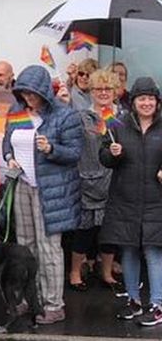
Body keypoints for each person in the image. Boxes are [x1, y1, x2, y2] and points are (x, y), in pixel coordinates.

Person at [3, 65, 84, 325]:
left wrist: (52, 149)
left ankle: (53, 304)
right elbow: (7, 141)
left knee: (49, 248)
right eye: (24, 93)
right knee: (25, 246)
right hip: (24, 185)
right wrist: (9, 157)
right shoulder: (16, 112)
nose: (29, 98)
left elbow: (74, 152)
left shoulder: (65, 116)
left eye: (33, 94)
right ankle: (30, 298)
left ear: (44, 91)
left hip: (52, 190)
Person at [99, 77, 162, 327]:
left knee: (153, 251)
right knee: (128, 249)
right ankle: (134, 301)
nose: (146, 103)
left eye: (150, 98)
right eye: (141, 98)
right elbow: (104, 156)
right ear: (133, 102)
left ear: (157, 102)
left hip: (156, 201)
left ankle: (157, 304)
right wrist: (112, 154)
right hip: (124, 200)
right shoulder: (117, 124)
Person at [69, 69, 124, 295]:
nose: (103, 93)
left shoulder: (122, 118)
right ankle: (74, 272)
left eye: (107, 88)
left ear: (115, 91)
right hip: (88, 181)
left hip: (116, 182)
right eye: (98, 89)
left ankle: (107, 272)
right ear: (91, 92)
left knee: (110, 230)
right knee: (85, 231)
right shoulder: (82, 117)